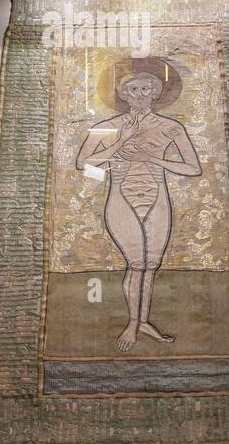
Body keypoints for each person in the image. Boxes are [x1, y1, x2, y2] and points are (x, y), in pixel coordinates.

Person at [75, 69, 201, 352]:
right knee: (136, 264)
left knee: (152, 265)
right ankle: (133, 323)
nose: (140, 95)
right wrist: (120, 142)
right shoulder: (108, 126)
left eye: (146, 89)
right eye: (133, 90)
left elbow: (193, 168)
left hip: (157, 196)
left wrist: (154, 157)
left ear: (156, 93)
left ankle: (143, 321)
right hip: (121, 196)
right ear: (123, 94)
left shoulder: (171, 127)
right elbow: (82, 164)